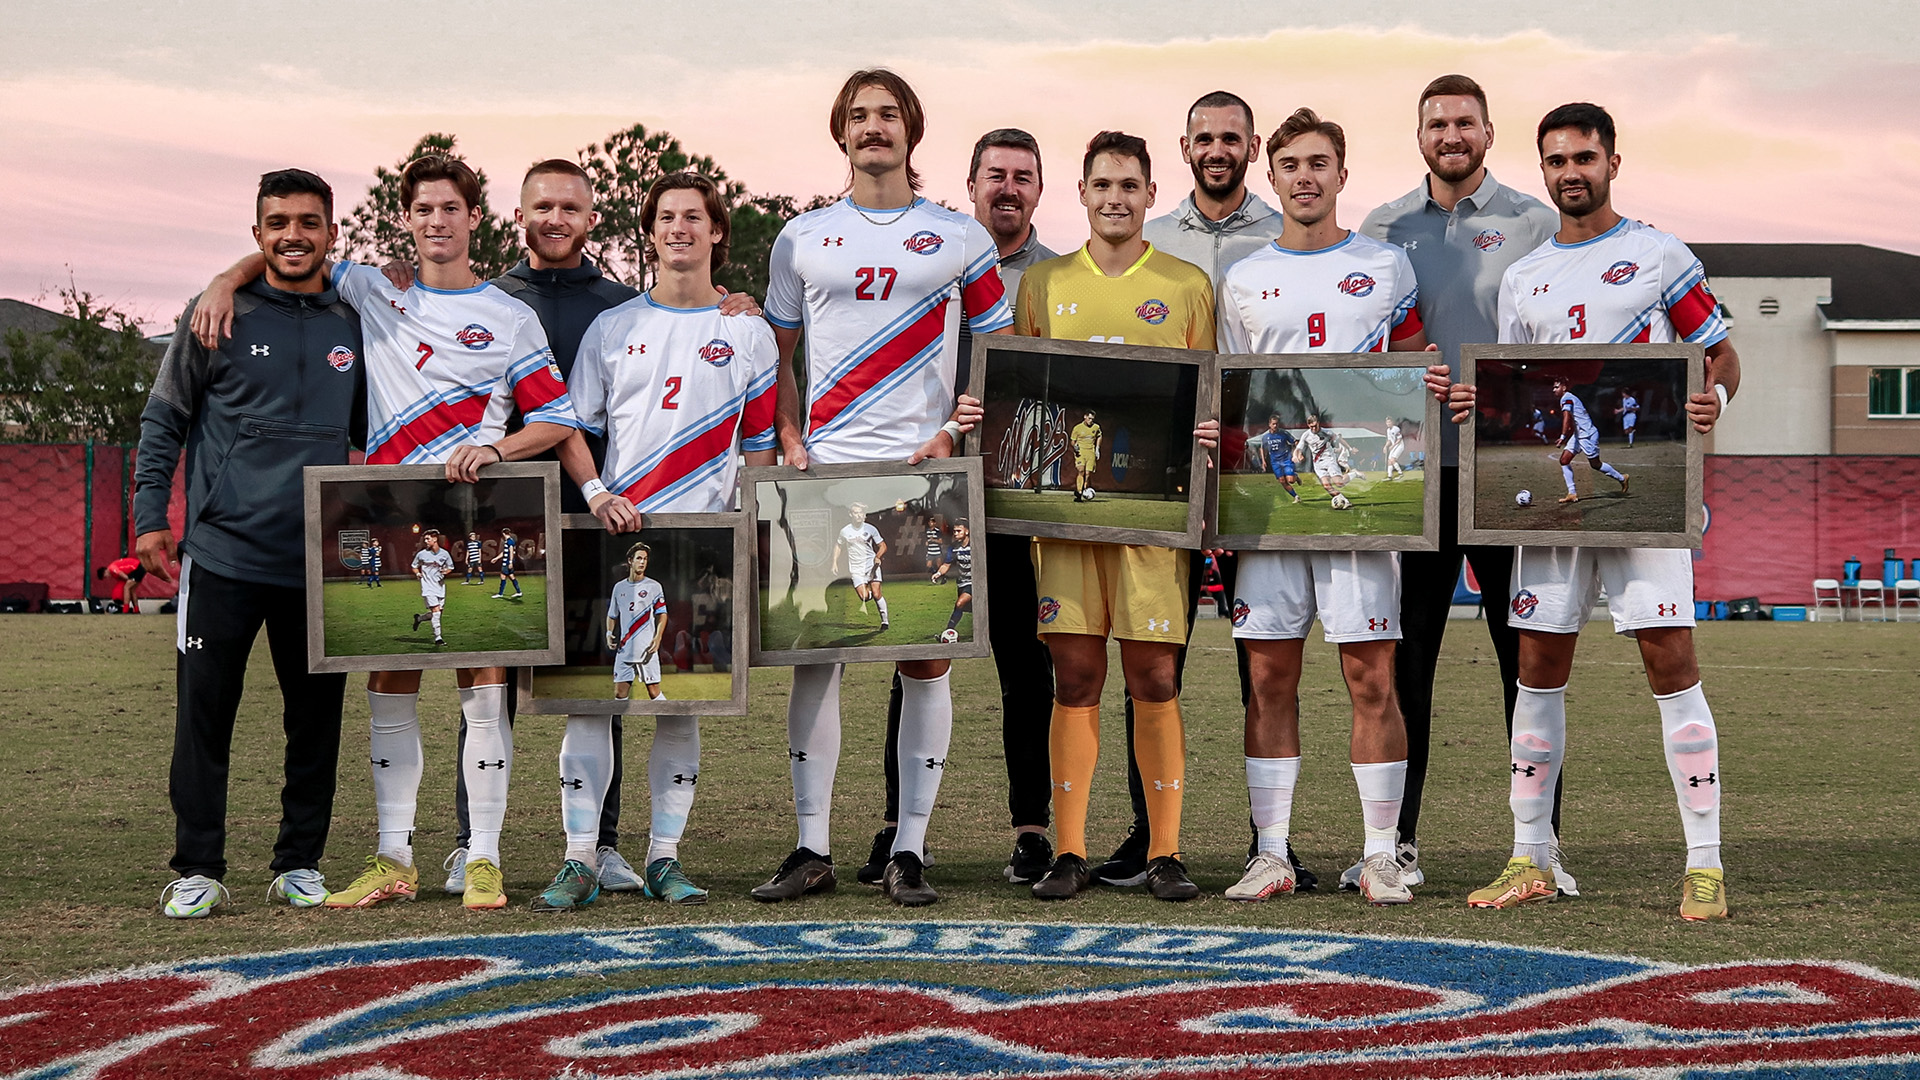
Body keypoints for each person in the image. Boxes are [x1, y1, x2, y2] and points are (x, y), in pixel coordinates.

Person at [191, 153, 590, 912]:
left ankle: (484, 860)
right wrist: (224, 280)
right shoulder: (373, 288)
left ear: (476, 217)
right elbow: (286, 253)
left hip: (478, 518)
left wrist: (496, 448)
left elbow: (554, 420)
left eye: (451, 208)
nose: (437, 221)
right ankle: (392, 858)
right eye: (423, 210)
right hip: (387, 519)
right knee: (390, 687)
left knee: (483, 692)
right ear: (405, 219)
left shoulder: (510, 316)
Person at [1449, 101, 1741, 920]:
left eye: (1584, 157)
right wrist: (1484, 404)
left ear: (1613, 162)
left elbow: (1720, 353)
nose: (1570, 172)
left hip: (1651, 520)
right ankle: (1530, 857)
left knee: (1669, 664)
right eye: (1556, 160)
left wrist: (1713, 396)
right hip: (1554, 530)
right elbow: (1513, 378)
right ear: (1542, 170)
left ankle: (1705, 865)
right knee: (1537, 671)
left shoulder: (1658, 255)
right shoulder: (1525, 275)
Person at [755, 69, 1010, 909]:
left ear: (912, 130)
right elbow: (779, 357)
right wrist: (789, 438)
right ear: (841, 132)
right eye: (860, 116)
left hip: (924, 471)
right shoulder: (800, 237)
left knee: (925, 662)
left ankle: (909, 849)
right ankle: (811, 845)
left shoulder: (960, 235)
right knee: (815, 660)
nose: (874, 128)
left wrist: (958, 429)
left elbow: (995, 352)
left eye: (888, 115)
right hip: (824, 471)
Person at [1214, 107, 1450, 906]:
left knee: (1371, 678)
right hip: (1272, 514)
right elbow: (1232, 388)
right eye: (1290, 165)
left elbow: (1417, 357)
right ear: (1269, 176)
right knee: (1269, 678)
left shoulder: (1385, 267)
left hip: (1360, 519)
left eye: (1320, 163)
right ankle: (1272, 854)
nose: (1305, 177)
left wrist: (1432, 381)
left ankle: (1382, 854)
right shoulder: (1243, 278)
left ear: (1342, 175)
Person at [543, 170, 777, 911]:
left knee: (681, 706)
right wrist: (596, 494)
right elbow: (573, 430)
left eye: (694, 217)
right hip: (618, 533)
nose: (679, 228)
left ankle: (665, 859)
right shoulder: (613, 328)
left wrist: (748, 536)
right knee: (592, 702)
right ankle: (580, 858)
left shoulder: (749, 330)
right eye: (666, 217)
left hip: (703, 545)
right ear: (649, 233)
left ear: (716, 233)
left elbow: (763, 447)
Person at [1358, 74, 1564, 894]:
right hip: (1415, 476)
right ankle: (1397, 842)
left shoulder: (1535, 222)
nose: (1452, 133)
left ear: (1487, 132)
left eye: (1465, 122)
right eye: (1437, 122)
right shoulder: (1381, 227)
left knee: (1530, 661)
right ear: (1419, 136)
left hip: (1510, 473)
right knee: (1409, 662)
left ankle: (1541, 845)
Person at [138, 168, 363, 917]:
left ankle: (299, 863)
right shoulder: (214, 315)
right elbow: (163, 418)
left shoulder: (356, 320)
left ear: (333, 232)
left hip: (317, 562)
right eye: (277, 223)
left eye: (307, 222)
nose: (292, 235)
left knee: (316, 723)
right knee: (204, 718)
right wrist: (149, 519)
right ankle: (197, 867)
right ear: (257, 232)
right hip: (224, 554)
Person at [1015, 130, 1216, 901]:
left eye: (1129, 186)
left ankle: (1164, 851)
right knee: (1074, 673)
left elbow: (1209, 396)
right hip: (1066, 515)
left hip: (1153, 518)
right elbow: (1022, 394)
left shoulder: (1187, 284)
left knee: (1154, 673)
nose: (1115, 199)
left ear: (1150, 195)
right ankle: (1069, 850)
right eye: (1102, 185)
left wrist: (1206, 434)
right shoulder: (1044, 284)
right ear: (1082, 193)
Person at [1549, 375, 1629, 503]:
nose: (1554, 390)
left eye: (1556, 387)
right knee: (1564, 460)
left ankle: (1621, 478)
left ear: (1564, 388)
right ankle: (1572, 493)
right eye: (1553, 387)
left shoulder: (1567, 398)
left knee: (1596, 464)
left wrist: (1563, 436)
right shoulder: (1567, 398)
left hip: (1587, 435)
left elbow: (1567, 417)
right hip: (1578, 435)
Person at [607, 542, 668, 701]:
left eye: (645, 559)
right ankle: (615, 727)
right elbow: (612, 615)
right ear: (630, 561)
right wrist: (609, 633)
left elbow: (662, 614)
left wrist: (658, 637)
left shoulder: (654, 586)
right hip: (625, 648)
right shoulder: (619, 588)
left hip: (647, 648)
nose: (642, 562)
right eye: (639, 558)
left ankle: (671, 723)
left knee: (654, 692)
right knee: (620, 694)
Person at [834, 504, 889, 629]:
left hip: (871, 565)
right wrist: (834, 562)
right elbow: (838, 546)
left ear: (864, 515)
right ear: (850, 514)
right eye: (855, 513)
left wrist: (878, 557)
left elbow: (883, 546)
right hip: (856, 569)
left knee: (877, 593)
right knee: (864, 597)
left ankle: (885, 622)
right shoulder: (845, 531)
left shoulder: (870, 529)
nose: (858, 515)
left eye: (860, 513)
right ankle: (867, 592)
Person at [410, 530, 452, 646]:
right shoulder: (421, 554)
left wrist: (446, 571)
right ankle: (438, 638)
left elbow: (450, 567)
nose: (426, 541)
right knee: (436, 612)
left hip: (440, 586)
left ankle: (419, 619)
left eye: (428, 539)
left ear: (435, 539)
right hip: (427, 587)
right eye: (425, 539)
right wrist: (418, 574)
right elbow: (414, 566)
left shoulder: (444, 554)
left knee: (437, 613)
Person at [935, 520, 974, 642]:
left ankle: (948, 632)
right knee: (970, 609)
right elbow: (946, 564)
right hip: (962, 582)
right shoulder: (953, 548)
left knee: (959, 603)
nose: (956, 533)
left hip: (975, 583)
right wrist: (938, 573)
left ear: (967, 531)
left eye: (959, 531)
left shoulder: (975, 545)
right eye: (954, 531)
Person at [1254, 415, 1301, 503]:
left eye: (1277, 424)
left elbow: (1295, 442)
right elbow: (1262, 448)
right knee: (1282, 481)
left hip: (1286, 459)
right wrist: (1263, 461)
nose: (1275, 426)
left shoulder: (1284, 433)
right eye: (1273, 424)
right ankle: (1296, 496)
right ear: (1269, 425)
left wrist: (1297, 453)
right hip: (1275, 462)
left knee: (1290, 480)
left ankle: (1296, 477)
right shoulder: (1265, 437)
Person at [1068, 409, 1102, 500]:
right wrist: (1075, 446)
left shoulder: (1096, 427)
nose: (1091, 421)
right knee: (1081, 471)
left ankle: (1084, 490)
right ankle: (1079, 492)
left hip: (1091, 452)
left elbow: (1099, 436)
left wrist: (1097, 449)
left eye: (1092, 419)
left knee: (1087, 474)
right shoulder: (1077, 428)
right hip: (1081, 452)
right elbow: (1072, 440)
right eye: (1089, 418)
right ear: (1085, 417)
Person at [492, 527, 523, 598]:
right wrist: (496, 558)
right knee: (511, 576)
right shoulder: (508, 541)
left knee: (503, 576)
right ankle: (518, 592)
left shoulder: (509, 541)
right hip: (507, 561)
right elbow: (504, 552)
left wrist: (510, 562)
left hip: (507, 562)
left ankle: (500, 593)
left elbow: (511, 552)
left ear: (503, 533)